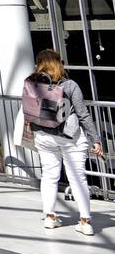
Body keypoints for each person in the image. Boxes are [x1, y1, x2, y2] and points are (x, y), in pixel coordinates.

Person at [27, 50, 104, 236]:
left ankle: (50, 217)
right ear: (59, 63)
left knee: (49, 176)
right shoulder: (69, 85)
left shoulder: (32, 83)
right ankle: (85, 222)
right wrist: (96, 140)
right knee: (77, 178)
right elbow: (83, 114)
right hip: (70, 137)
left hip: (44, 136)